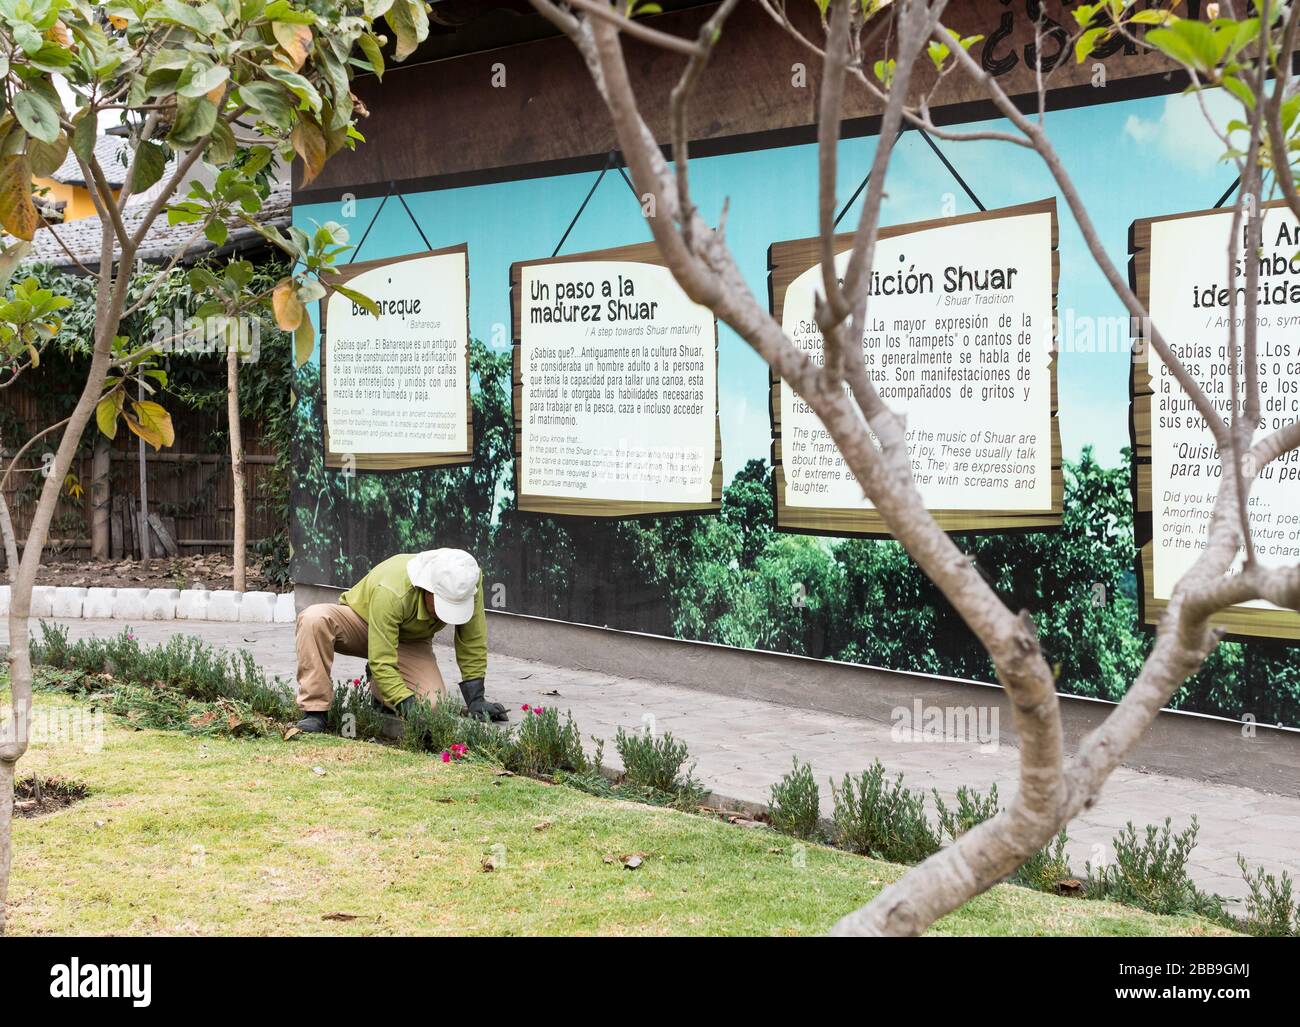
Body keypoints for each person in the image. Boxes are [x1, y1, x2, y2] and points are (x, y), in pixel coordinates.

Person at [293, 548, 508, 734]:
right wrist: (405, 703)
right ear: (427, 588)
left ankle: (380, 689)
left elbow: (472, 637)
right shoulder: (392, 590)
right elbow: (381, 659)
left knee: (431, 707)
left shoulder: (467, 581)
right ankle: (315, 711)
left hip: (409, 641)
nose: (446, 615)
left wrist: (476, 699)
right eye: (443, 605)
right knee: (314, 619)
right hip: (362, 624)